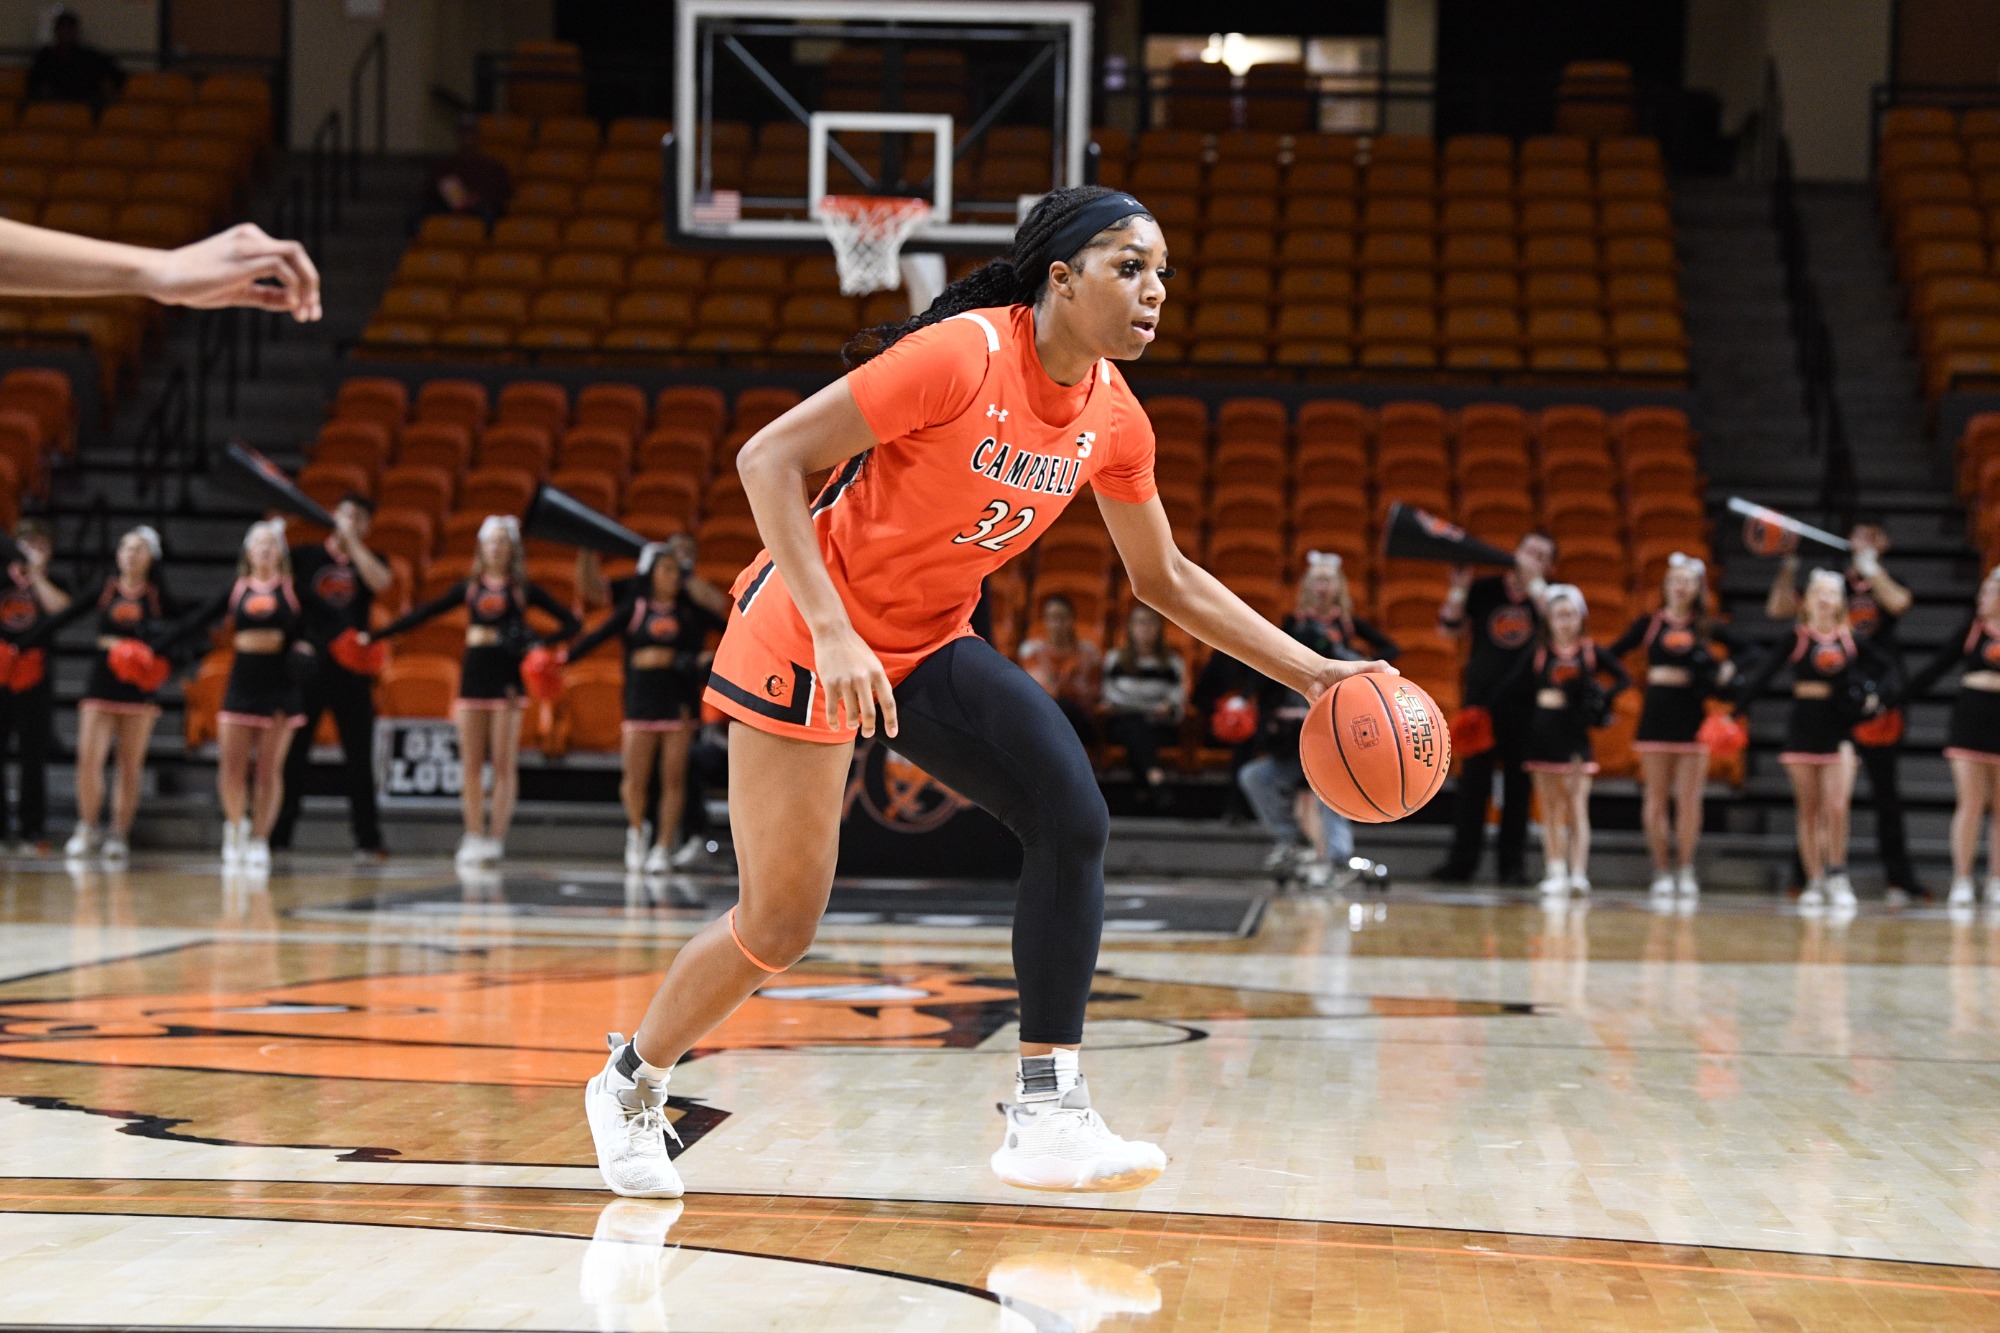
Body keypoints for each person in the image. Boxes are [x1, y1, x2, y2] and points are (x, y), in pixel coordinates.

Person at [579, 185, 1394, 1202]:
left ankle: (1048, 1111)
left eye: (1163, 275)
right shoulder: (962, 354)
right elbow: (768, 457)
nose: (1154, 293)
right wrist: (832, 629)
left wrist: (1317, 672)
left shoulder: (1112, 415)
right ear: (1060, 279)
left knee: (1070, 813)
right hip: (801, 631)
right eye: (1129, 268)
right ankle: (629, 1081)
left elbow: (1164, 579)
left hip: (923, 643)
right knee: (779, 925)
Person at [364, 516, 579, 867]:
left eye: (502, 542)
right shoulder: (471, 588)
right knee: (471, 765)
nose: (496, 548)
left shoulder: (522, 589)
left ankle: (496, 838)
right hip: (473, 677)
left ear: (511, 548)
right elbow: (425, 613)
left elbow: (572, 623)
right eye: (490, 542)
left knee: (505, 764)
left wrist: (535, 642)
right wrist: (376, 635)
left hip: (507, 680)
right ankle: (473, 833)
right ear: (482, 547)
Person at [1767, 521, 1922, 898]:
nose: (1860, 542)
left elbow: (1899, 602)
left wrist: (1872, 568)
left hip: (1874, 702)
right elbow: (1779, 609)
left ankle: (1898, 880)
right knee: (1815, 799)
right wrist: (1789, 566)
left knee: (1884, 792)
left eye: (1870, 536)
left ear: (1883, 543)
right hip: (1830, 705)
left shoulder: (1885, 579)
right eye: (1856, 535)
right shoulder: (1830, 584)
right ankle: (1807, 877)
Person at [158, 521, 315, 870]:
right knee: (231, 766)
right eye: (258, 543)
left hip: (280, 683)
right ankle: (234, 826)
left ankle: (260, 839)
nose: (265, 549)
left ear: (281, 552)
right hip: (243, 681)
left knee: (268, 770)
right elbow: (197, 619)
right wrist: (158, 645)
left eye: (271, 544)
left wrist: (307, 646)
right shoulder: (237, 588)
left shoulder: (293, 590)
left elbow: (325, 621)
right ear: (247, 551)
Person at [1738, 569, 1895, 912]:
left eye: (1830, 594)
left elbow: (1887, 667)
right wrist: (1735, 711)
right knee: (1808, 811)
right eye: (1817, 593)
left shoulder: (1851, 639)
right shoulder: (1797, 638)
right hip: (1802, 730)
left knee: (1837, 809)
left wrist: (1875, 697)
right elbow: (1762, 676)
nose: (1823, 599)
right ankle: (1814, 880)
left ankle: (1838, 875)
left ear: (1840, 601)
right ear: (1806, 600)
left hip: (1838, 731)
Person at [566, 540, 728, 873]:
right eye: (666, 568)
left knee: (674, 779)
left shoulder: (688, 609)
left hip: (679, 702)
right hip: (640, 701)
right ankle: (638, 831)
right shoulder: (635, 605)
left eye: (677, 568)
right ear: (650, 571)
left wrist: (700, 659)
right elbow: (598, 633)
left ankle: (664, 847)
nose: (673, 575)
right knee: (635, 779)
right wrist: (563, 658)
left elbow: (727, 624)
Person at [1240, 552, 1398, 885]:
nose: (1322, 587)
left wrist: (1350, 659)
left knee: (1336, 784)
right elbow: (1266, 666)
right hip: (1294, 736)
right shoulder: (1293, 623)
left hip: (1335, 731)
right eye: (1316, 581)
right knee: (1255, 777)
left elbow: (1390, 650)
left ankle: (1339, 859)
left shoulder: (1348, 624)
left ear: (1337, 586)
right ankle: (1293, 842)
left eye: (1327, 581)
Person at [270, 495, 394, 861]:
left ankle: (367, 840)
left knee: (359, 758)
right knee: (294, 755)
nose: (347, 521)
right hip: (309, 668)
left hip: (353, 670)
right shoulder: (305, 556)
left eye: (357, 517)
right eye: (343, 514)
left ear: (366, 526)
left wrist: (353, 543)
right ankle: (279, 837)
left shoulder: (370, 560)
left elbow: (383, 583)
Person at [1607, 552, 1736, 900]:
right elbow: (1610, 654)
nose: (1680, 587)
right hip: (1656, 716)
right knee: (1656, 798)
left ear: (1697, 587)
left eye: (1687, 581)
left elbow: (1751, 651)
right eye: (1674, 581)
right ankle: (1661, 870)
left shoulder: (1705, 627)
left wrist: (1727, 671)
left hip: (1692, 716)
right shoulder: (1649, 624)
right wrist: (1624, 683)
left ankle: (1686, 867)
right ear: (1665, 586)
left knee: (1691, 801)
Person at [1431, 533, 1555, 885]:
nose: (1533, 559)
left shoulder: (1549, 595)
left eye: (1542, 555)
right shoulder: (1486, 589)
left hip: (1527, 707)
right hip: (1482, 705)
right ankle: (1461, 864)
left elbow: (1561, 630)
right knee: (1473, 787)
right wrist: (1458, 588)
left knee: (1519, 790)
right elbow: (1448, 630)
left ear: (1548, 565)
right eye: (1529, 550)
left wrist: (1536, 588)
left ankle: (1511, 867)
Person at [62, 526, 173, 861]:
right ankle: (87, 826)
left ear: (150, 557)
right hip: (102, 680)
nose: (130, 554)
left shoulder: (157, 595)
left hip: (138, 687)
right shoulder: (106, 588)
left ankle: (118, 834)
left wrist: (148, 652)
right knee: (89, 760)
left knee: (129, 765)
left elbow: (181, 630)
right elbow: (66, 613)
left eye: (138, 549)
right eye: (125, 547)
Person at [1903, 566, 2000, 908]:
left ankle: (1995, 881)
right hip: (1970, 720)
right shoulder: (1972, 631)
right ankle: (1962, 879)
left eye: (1988, 591)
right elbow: (1936, 668)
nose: (1982, 598)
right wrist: (1896, 700)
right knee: (1970, 802)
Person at [1523, 585, 1629, 897]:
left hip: (1574, 736)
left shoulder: (1590, 651)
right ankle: (1554, 870)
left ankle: (1578, 873)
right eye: (1559, 615)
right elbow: (1517, 688)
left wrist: (1599, 700)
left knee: (1577, 806)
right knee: (1550, 808)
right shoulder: (1539, 652)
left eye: (1570, 615)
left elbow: (1624, 678)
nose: (1565, 621)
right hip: (1543, 733)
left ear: (1579, 618)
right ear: (1549, 620)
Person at [0, 520, 69, 854]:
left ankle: (32, 830)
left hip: (36, 678)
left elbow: (60, 611)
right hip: (0, 674)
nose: (32, 550)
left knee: (33, 757)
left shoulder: (54, 581)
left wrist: (37, 576)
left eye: (40, 544)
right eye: (26, 543)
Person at [1098, 603, 1185, 808]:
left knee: (1139, 728)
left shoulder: (1172, 662)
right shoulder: (1115, 659)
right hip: (1123, 722)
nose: (1145, 628)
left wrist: (1156, 709)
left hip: (1159, 725)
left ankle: (1144, 787)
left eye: (1150, 623)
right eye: (1139, 623)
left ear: (1159, 628)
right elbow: (1111, 695)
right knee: (1134, 725)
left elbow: (1176, 700)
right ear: (1130, 627)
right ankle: (1155, 779)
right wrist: (1148, 707)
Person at [1018, 593, 1102, 743]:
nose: (1057, 624)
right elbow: (1036, 693)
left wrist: (1064, 689)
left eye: (1062, 618)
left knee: (1064, 708)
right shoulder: (1032, 651)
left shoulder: (1089, 652)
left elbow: (1094, 693)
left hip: (1079, 720)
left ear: (1072, 619)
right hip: (1045, 717)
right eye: (1051, 618)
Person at [424, 117, 513, 226]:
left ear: (478, 135)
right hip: (448, 207)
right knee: (421, 211)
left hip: (480, 209)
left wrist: (478, 200)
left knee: (489, 213)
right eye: (463, 133)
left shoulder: (493, 166)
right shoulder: (445, 166)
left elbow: (503, 196)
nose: (467, 137)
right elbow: (431, 191)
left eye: (471, 133)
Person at [27, 12, 123, 110]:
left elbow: (117, 74)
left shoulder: (89, 57)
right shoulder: (45, 57)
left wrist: (110, 91)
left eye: (69, 30)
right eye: (62, 29)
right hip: (51, 105)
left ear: (75, 32)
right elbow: (33, 82)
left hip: (84, 105)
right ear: (56, 31)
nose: (65, 34)